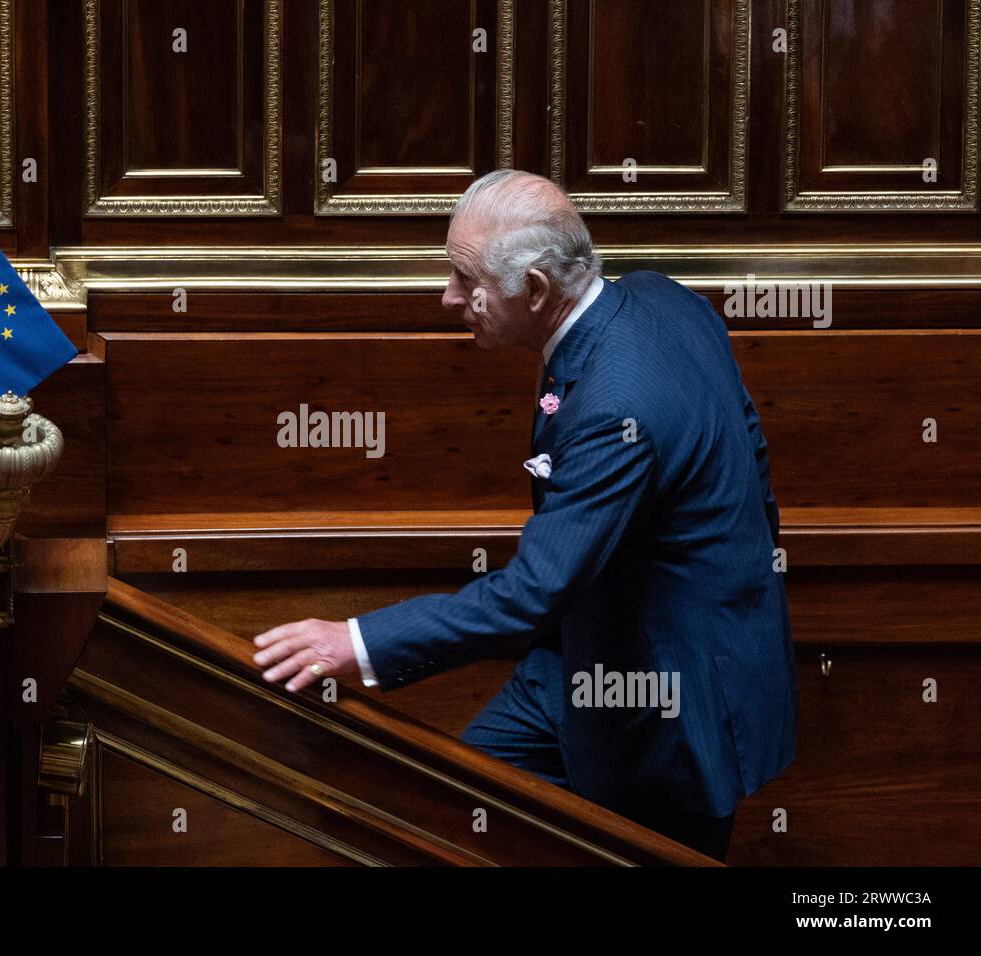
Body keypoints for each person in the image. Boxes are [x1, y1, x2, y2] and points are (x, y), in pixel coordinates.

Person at [252, 170, 797, 861]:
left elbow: (534, 591)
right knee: (441, 818)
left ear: (535, 289)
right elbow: (750, 442)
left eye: (464, 279)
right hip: (573, 663)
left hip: (673, 714)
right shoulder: (661, 297)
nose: (448, 296)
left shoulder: (615, 406)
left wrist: (354, 645)